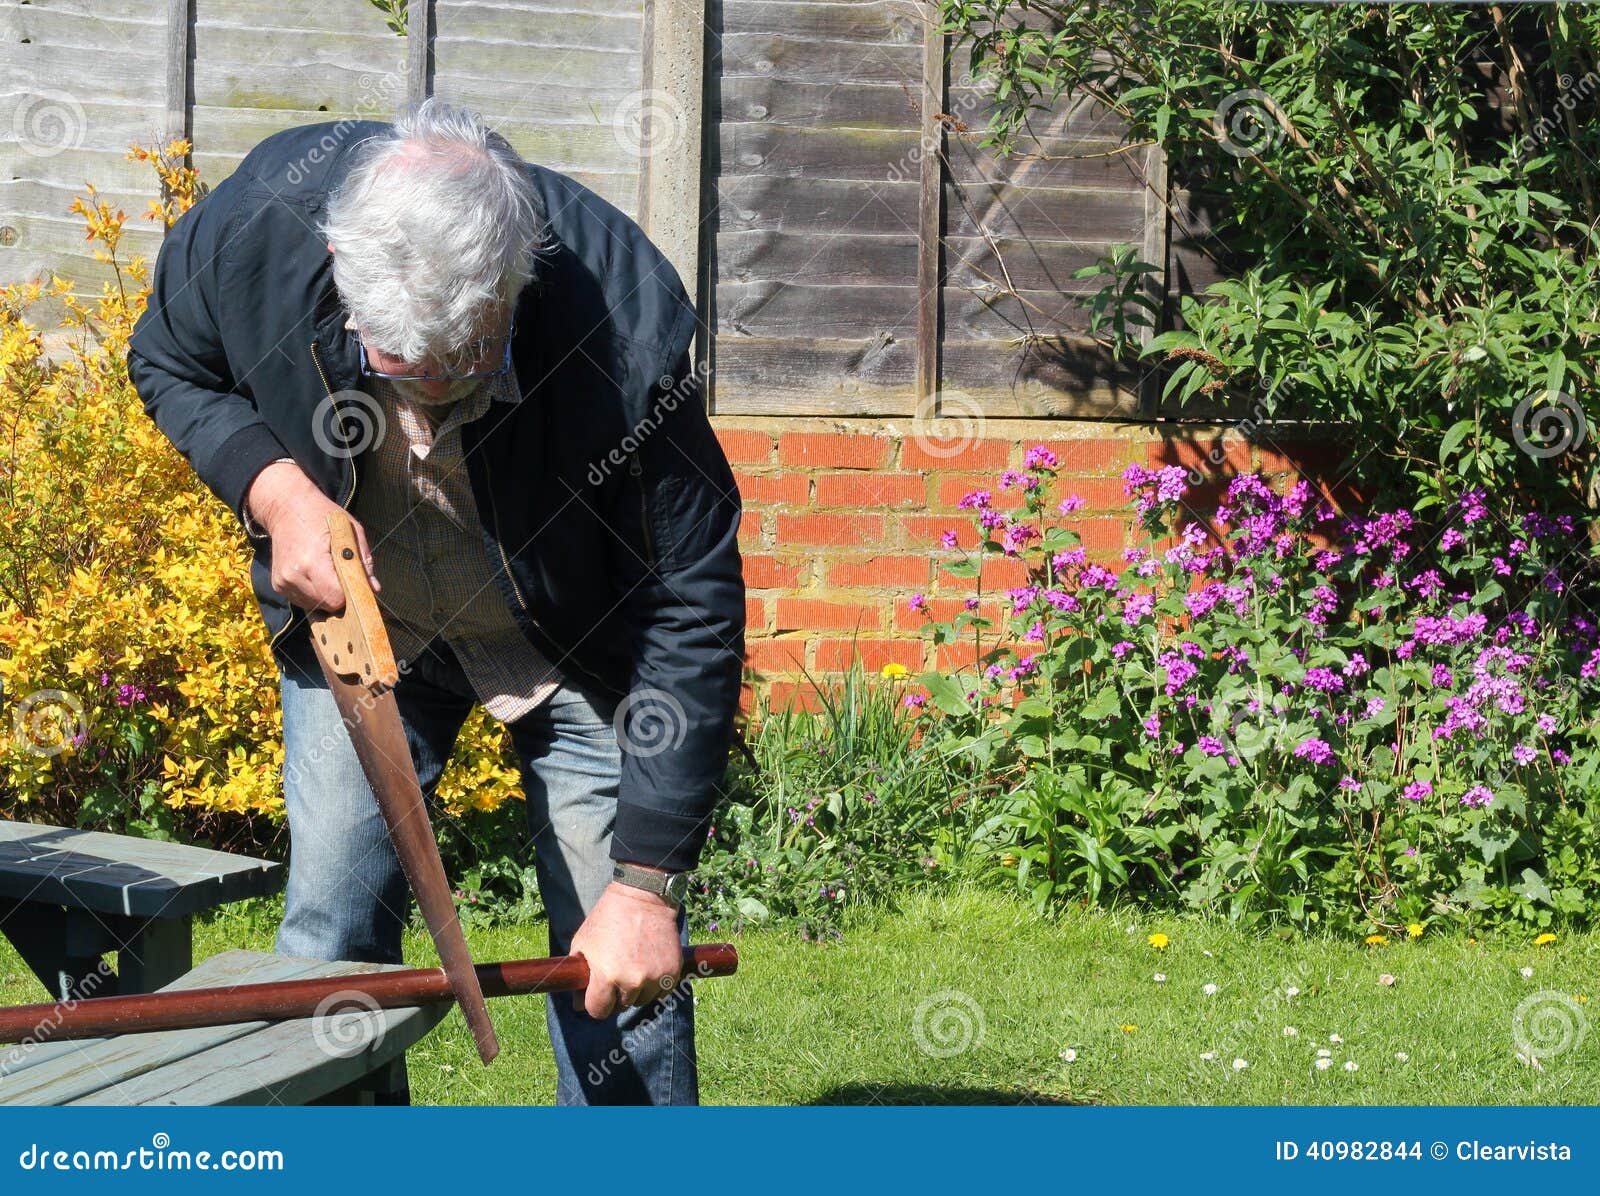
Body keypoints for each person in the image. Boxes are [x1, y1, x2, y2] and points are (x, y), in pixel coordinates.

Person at [125, 97, 745, 1105]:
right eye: (399, 366)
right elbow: (168, 358)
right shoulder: (258, 234)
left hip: (574, 638)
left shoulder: (620, 317)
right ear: (340, 276)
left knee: (616, 959)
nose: (436, 398)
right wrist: (276, 491)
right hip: (369, 631)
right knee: (328, 940)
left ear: (518, 281)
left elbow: (692, 591)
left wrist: (647, 883)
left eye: (468, 365)